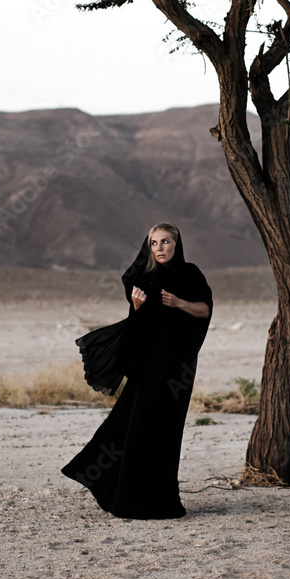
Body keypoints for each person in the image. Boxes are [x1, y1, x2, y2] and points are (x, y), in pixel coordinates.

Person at [61, 222, 213, 519]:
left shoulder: (190, 273)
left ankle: (163, 501)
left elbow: (205, 310)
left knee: (166, 432)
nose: (160, 248)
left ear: (176, 244)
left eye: (165, 242)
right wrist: (136, 307)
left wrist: (179, 302)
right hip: (149, 367)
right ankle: (123, 498)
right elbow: (141, 328)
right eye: (154, 243)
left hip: (177, 368)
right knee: (134, 426)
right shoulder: (145, 278)